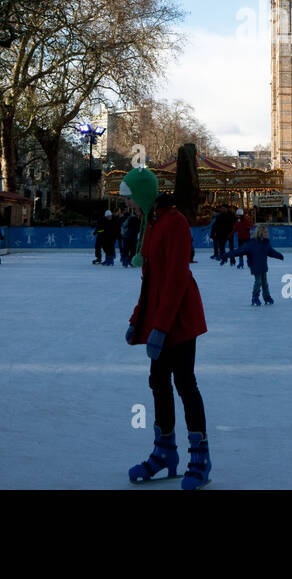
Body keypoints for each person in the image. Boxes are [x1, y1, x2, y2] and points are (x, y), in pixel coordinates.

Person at [121, 167, 211, 489]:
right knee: (158, 382)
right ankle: (165, 452)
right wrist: (137, 320)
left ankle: (200, 457)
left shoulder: (174, 222)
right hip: (160, 317)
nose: (128, 204)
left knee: (185, 383)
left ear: (143, 196)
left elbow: (175, 279)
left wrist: (159, 328)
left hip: (181, 319)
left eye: (130, 198)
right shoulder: (152, 223)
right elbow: (150, 281)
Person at [228, 223, 284, 306]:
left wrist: (279, 255)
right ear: (260, 233)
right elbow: (239, 251)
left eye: (267, 232)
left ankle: (267, 297)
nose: (267, 234)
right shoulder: (252, 243)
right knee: (258, 282)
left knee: (265, 282)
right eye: (265, 232)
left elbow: (271, 252)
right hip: (255, 265)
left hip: (263, 266)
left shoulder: (266, 243)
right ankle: (255, 297)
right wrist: (225, 255)